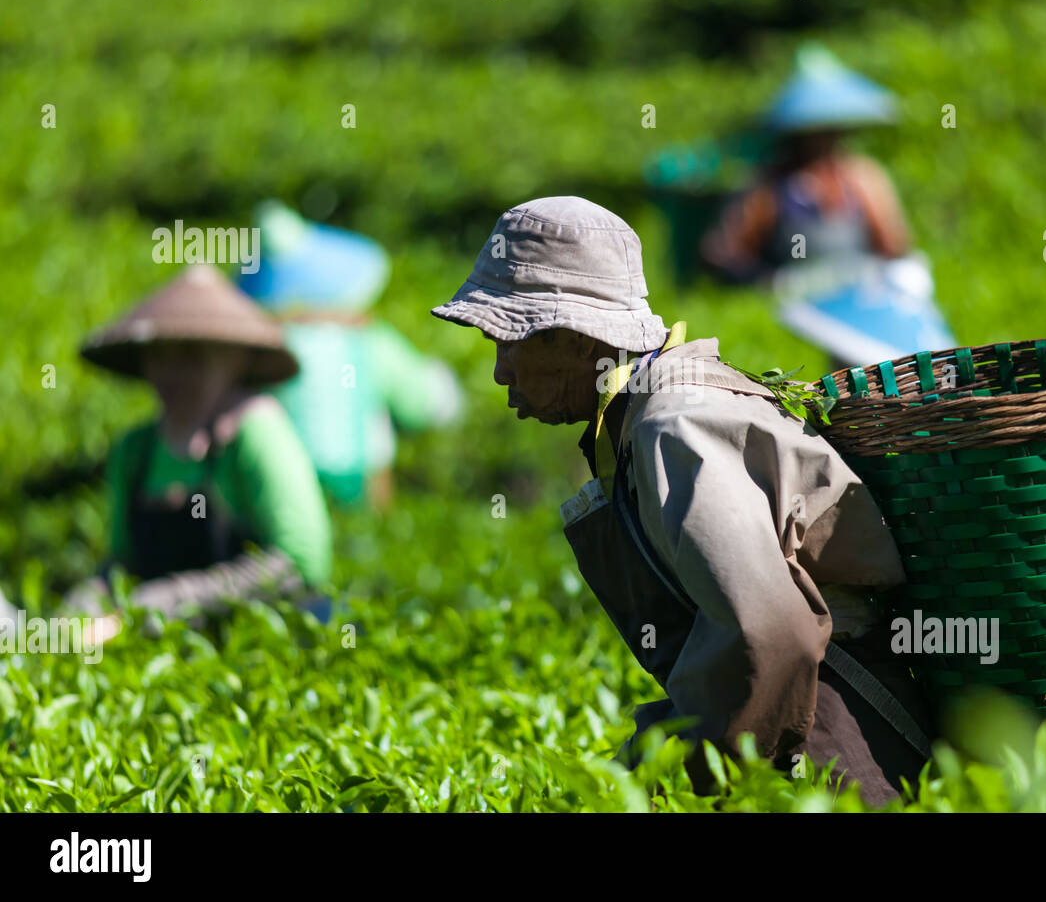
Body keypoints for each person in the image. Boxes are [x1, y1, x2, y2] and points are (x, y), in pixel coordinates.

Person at [431, 196, 933, 805]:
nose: (499, 372)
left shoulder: (674, 426)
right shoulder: (645, 418)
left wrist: (727, 781)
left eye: (508, 343)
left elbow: (769, 628)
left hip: (832, 730)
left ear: (573, 338)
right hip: (807, 719)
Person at [69, 263, 333, 636]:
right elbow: (124, 562)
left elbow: (302, 564)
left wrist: (176, 599)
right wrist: (91, 596)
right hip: (163, 647)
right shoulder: (135, 450)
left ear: (237, 358)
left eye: (192, 354)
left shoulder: (256, 432)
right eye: (160, 354)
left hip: (262, 645)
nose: (172, 371)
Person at [238, 201, 465, 507]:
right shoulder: (367, 341)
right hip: (357, 484)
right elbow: (429, 404)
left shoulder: (253, 348)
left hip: (271, 485)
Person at [700, 44, 912, 284]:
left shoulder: (861, 176)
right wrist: (767, 280)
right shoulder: (770, 186)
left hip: (859, 290)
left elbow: (894, 246)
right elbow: (723, 252)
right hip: (792, 295)